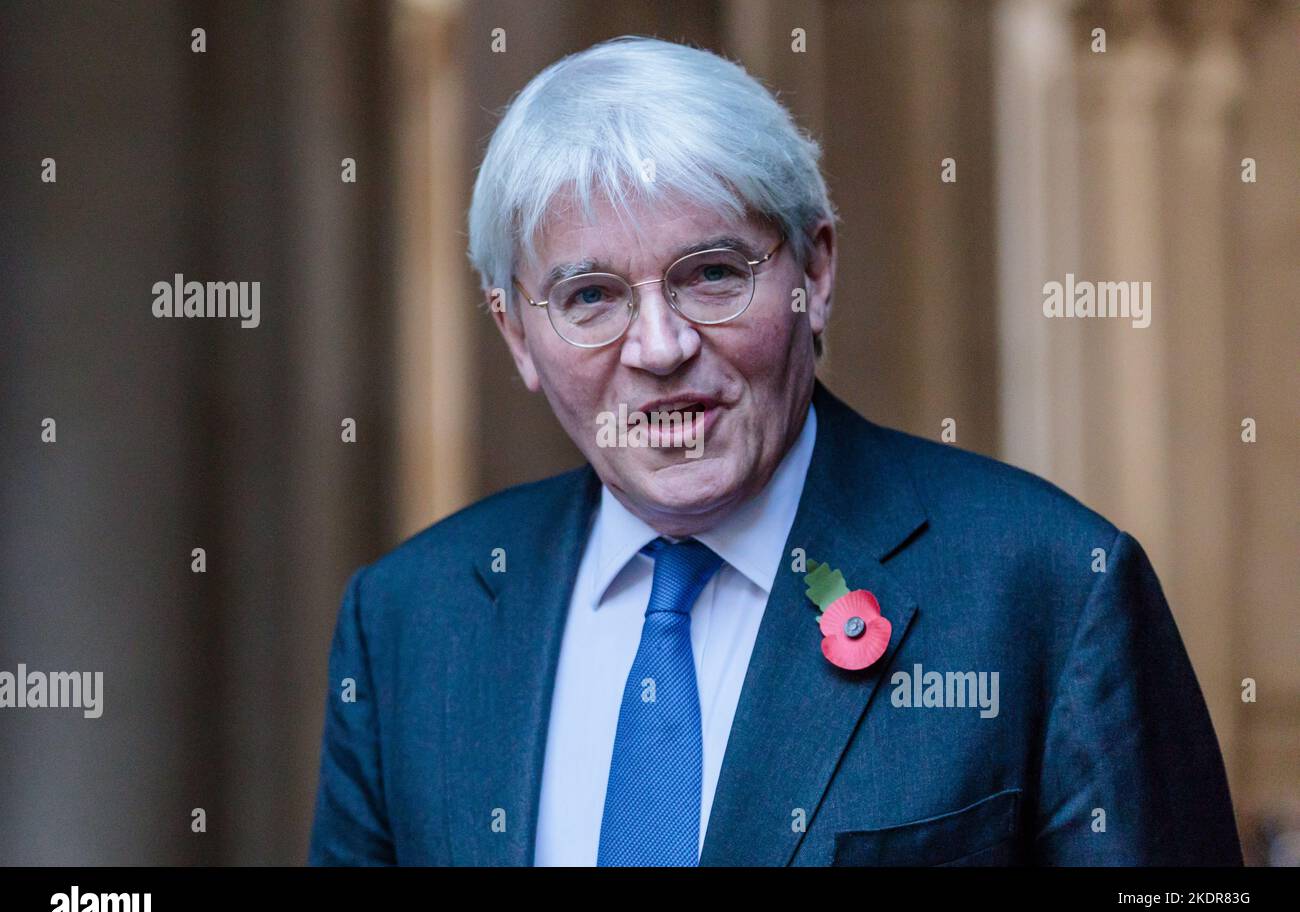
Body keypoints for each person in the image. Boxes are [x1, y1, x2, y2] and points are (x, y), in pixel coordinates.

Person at [308, 35, 1241, 866]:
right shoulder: (408, 622)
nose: (662, 347)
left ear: (817, 274)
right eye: (591, 297)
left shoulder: (1048, 588)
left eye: (713, 275)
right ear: (516, 334)